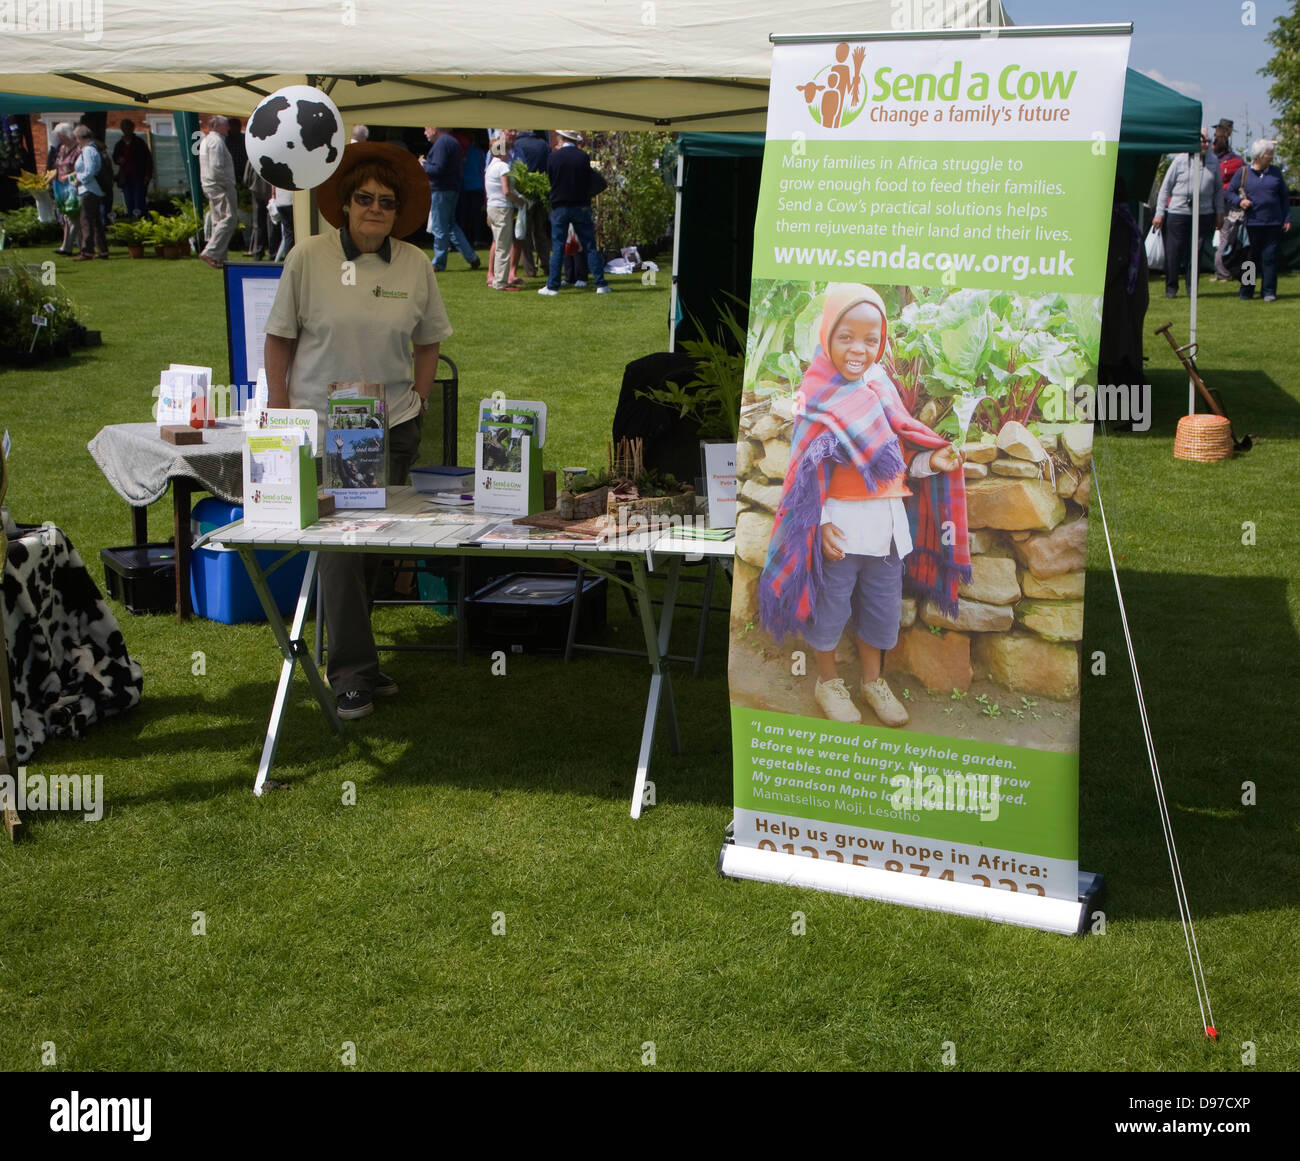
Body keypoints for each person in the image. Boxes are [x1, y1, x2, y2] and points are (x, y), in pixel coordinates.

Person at [262, 142, 451, 724]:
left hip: (389, 426)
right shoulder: (307, 258)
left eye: (387, 202)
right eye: (365, 198)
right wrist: (280, 409)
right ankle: (348, 677)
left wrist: (416, 401)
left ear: (399, 213)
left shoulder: (415, 265)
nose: (375, 209)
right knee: (341, 552)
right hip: (326, 429)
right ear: (344, 204)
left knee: (373, 546)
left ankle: (360, 663)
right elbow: (280, 339)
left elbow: (429, 339)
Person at [757, 284, 969, 726]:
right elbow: (807, 476)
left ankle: (873, 682)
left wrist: (933, 460)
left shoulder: (881, 389)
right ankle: (828, 681)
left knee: (881, 611)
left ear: (882, 341)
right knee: (830, 608)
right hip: (842, 531)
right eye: (846, 336)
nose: (859, 348)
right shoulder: (818, 396)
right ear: (827, 335)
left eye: (871, 340)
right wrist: (823, 525)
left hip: (888, 533)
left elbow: (899, 461)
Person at [1153, 128, 1223, 299]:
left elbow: (1218, 191)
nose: (1206, 144)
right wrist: (1160, 212)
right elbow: (1165, 189)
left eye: (1208, 141)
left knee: (1196, 252)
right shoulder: (1179, 160)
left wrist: (1220, 212)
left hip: (1204, 213)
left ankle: (1192, 288)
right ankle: (1171, 288)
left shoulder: (1213, 162)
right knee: (1174, 251)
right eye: (1202, 140)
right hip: (1178, 212)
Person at [540, 130, 609, 295]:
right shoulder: (582, 157)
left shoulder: (553, 157)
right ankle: (600, 283)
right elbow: (588, 180)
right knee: (590, 246)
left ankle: (552, 286)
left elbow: (550, 178)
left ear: (561, 138)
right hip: (581, 205)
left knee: (558, 247)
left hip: (560, 206)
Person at [1226, 140, 1292, 303]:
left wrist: (1287, 218)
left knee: (1269, 258)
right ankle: (1247, 290)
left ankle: (1269, 291)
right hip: (1251, 224)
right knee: (1250, 259)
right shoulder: (1243, 173)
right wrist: (1240, 202)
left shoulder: (1276, 172)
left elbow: (1284, 197)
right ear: (1260, 156)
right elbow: (1230, 193)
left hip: (1273, 223)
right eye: (1269, 153)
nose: (1272, 156)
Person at [421, 126, 480, 272]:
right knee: (450, 226)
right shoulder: (453, 142)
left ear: (434, 128)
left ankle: (439, 263)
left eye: (426, 128)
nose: (425, 132)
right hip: (451, 189)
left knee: (440, 227)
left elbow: (437, 169)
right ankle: (471, 257)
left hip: (441, 190)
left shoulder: (442, 143)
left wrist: (423, 165)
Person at [483, 136, 527, 291]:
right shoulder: (503, 167)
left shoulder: (490, 167)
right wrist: (520, 202)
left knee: (499, 243)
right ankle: (501, 282)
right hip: (502, 208)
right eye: (507, 149)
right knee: (503, 246)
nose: (509, 152)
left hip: (492, 207)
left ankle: (496, 278)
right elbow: (507, 191)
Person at [198, 115, 238, 268]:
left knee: (218, 219)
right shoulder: (216, 141)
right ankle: (211, 252)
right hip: (219, 186)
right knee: (229, 218)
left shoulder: (206, 140)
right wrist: (227, 184)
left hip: (209, 185)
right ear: (218, 126)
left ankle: (219, 257)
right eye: (226, 125)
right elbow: (216, 168)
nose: (228, 128)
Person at [511, 129, 551, 277]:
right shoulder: (543, 145)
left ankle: (529, 269)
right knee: (540, 231)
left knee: (525, 233)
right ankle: (546, 265)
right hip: (540, 193)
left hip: (524, 194)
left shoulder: (517, 144)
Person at [1211, 122, 1245, 281]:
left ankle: (1240, 277)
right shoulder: (1213, 158)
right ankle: (1223, 271)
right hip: (1219, 204)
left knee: (1228, 238)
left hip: (1230, 206)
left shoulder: (1234, 162)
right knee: (1222, 238)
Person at [71, 124, 108, 261]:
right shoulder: (91, 149)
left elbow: (90, 170)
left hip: (89, 189)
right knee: (96, 221)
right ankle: (102, 249)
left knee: (86, 220)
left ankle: (87, 251)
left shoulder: (88, 150)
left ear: (79, 137)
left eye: (76, 138)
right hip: (92, 189)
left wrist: (79, 180)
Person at [50, 122, 81, 256]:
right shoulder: (62, 148)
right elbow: (57, 166)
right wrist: (50, 178)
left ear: (64, 135)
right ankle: (82, 247)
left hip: (73, 186)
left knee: (72, 216)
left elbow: (81, 170)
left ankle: (67, 247)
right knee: (68, 216)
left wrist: (69, 176)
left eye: (59, 135)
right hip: (61, 187)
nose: (58, 138)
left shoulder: (78, 149)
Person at [112, 119, 153, 219]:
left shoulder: (139, 143)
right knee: (129, 201)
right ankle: (132, 221)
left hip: (139, 176)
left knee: (139, 201)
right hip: (126, 178)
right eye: (124, 128)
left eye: (128, 128)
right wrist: (118, 160)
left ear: (132, 129)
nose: (127, 130)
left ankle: (141, 221)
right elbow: (115, 157)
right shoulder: (120, 144)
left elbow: (148, 160)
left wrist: (148, 176)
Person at [243, 157, 272, 259]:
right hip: (270, 190)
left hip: (256, 190)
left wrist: (249, 184)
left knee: (258, 223)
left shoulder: (253, 153)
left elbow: (246, 177)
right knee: (271, 222)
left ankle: (257, 251)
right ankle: (273, 251)